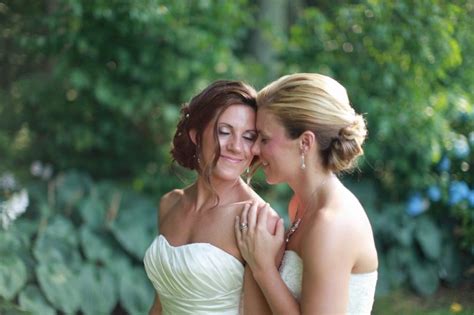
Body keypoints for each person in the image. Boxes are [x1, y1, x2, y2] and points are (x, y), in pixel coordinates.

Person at [235, 73, 378, 315]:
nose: (255, 148)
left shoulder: (331, 224)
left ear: (304, 142)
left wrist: (263, 268)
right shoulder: (299, 205)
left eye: (265, 138)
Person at [143, 80, 278, 314]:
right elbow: (160, 304)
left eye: (248, 137)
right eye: (224, 132)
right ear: (196, 135)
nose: (237, 147)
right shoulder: (169, 203)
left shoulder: (256, 220)